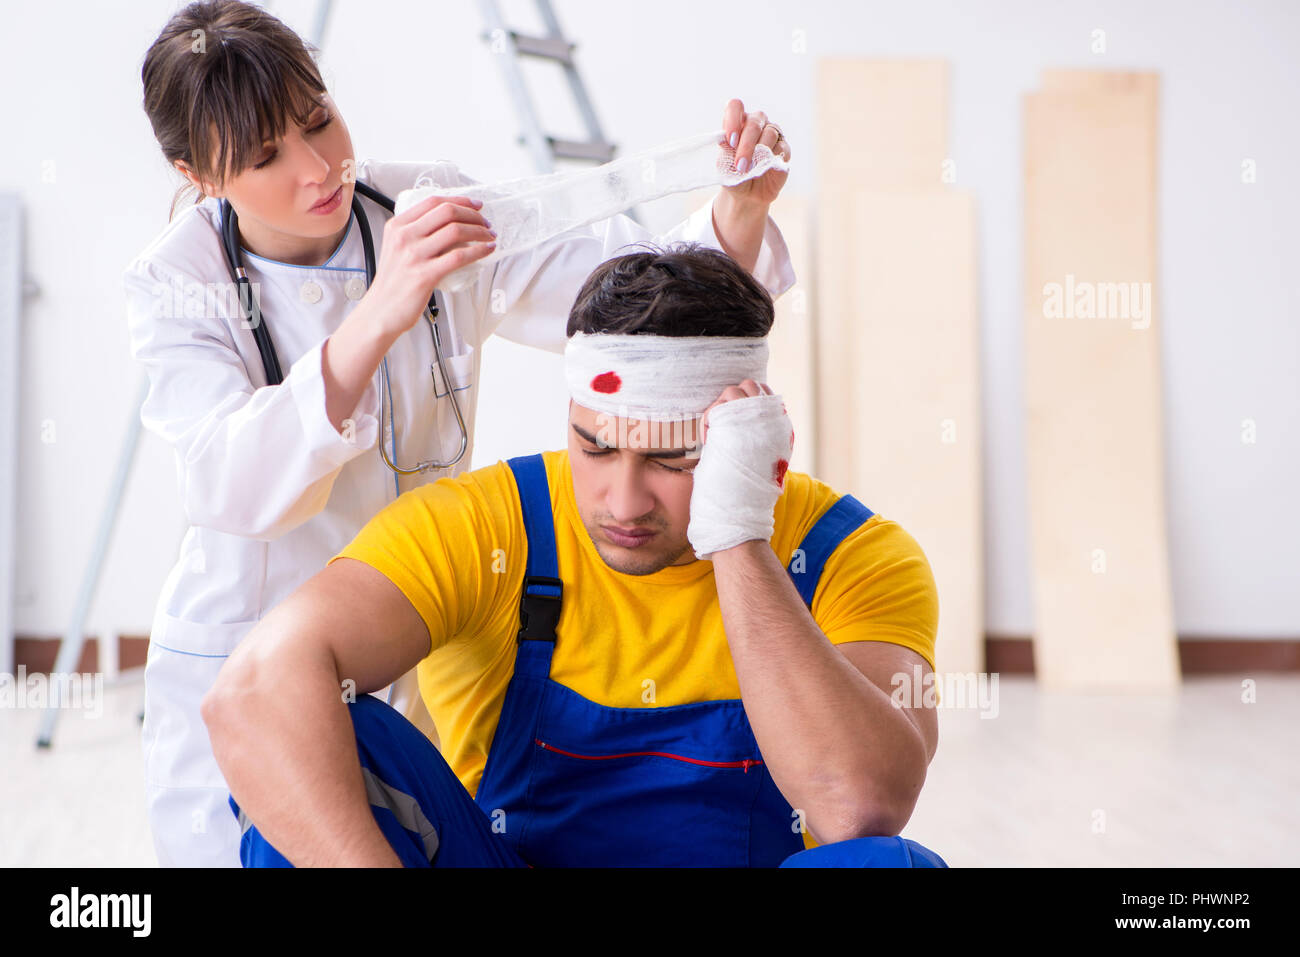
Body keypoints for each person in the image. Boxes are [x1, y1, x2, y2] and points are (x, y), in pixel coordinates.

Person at [124, 0, 798, 867]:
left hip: (397, 642)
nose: (319, 166)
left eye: (319, 119)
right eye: (265, 157)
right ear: (198, 173)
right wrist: (379, 312)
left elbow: (623, 300)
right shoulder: (176, 282)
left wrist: (735, 212)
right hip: (241, 656)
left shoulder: (420, 203)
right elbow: (231, 486)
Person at [202, 242, 946, 868]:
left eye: (674, 460)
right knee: (319, 736)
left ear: (746, 437)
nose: (622, 503)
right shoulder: (491, 527)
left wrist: (741, 536)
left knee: (886, 864)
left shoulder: (849, 555)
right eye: (595, 446)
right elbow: (250, 695)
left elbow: (862, 803)